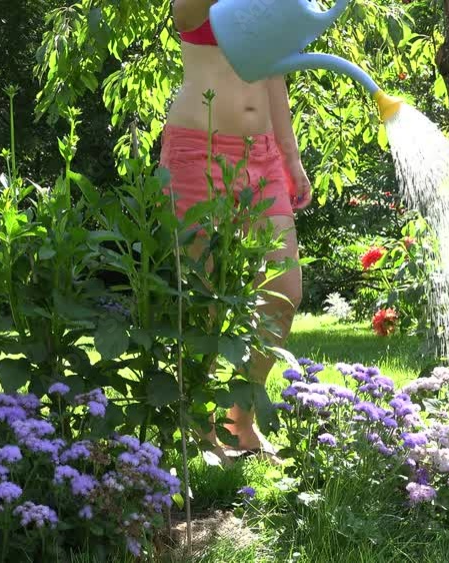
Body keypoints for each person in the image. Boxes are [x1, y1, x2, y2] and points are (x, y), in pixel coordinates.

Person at [162, 0, 311, 459]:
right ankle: (203, 427)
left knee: (285, 289)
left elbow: (273, 74)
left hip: (262, 153)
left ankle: (239, 419)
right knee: (206, 297)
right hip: (197, 147)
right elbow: (183, 17)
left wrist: (290, 157)